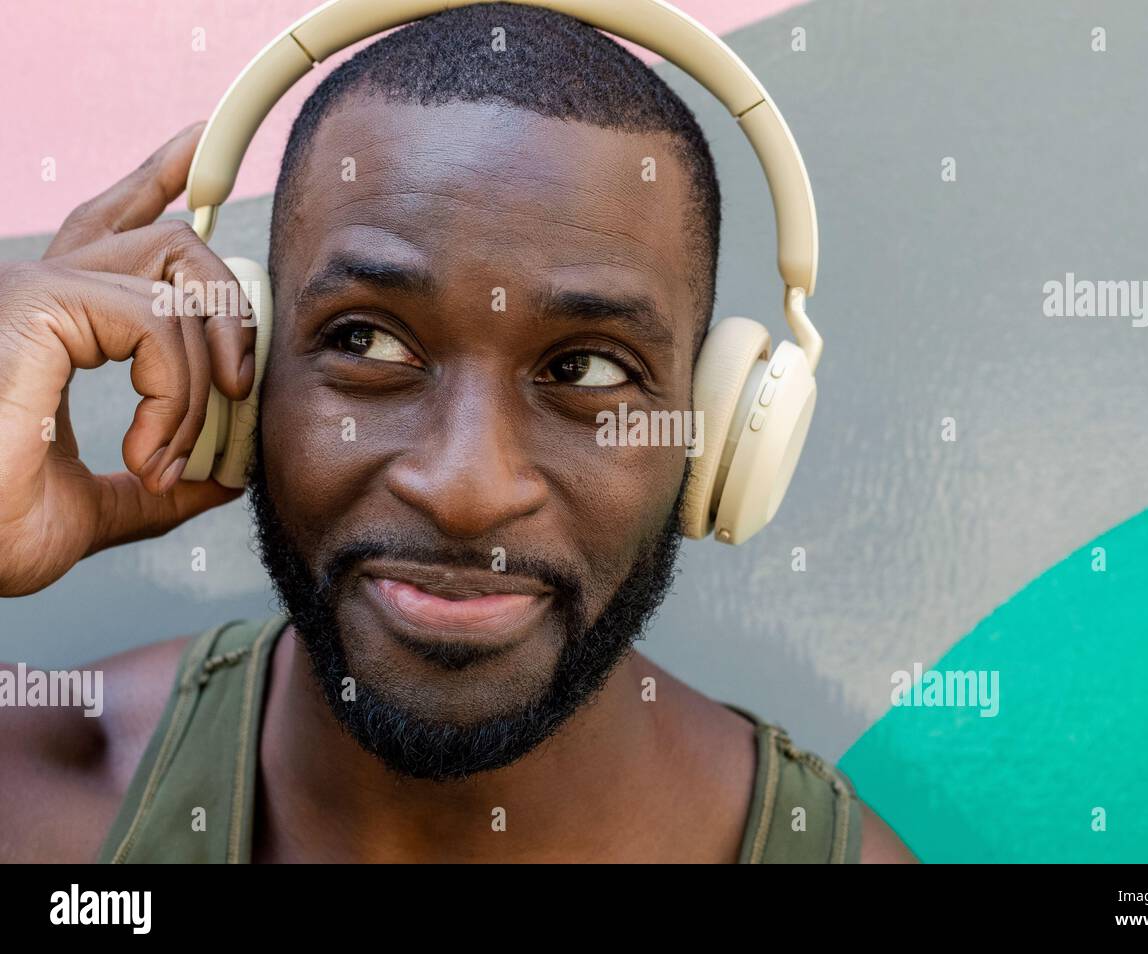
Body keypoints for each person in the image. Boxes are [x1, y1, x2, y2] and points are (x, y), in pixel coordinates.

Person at [0, 3, 914, 863]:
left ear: (715, 437)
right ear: (241, 377)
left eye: (585, 370)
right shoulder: (33, 799)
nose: (466, 489)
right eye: (366, 341)